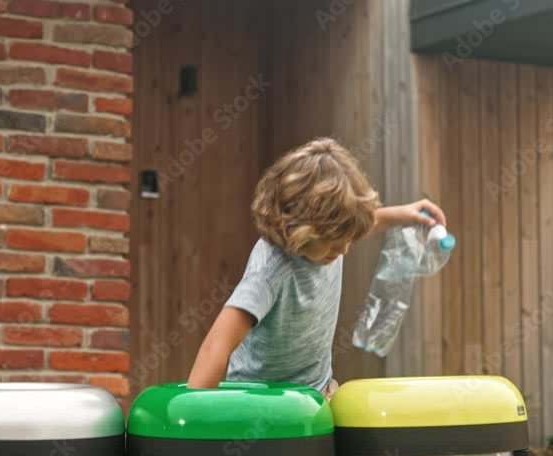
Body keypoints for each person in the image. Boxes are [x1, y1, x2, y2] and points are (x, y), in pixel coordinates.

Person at [186, 137, 447, 398]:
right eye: (336, 243)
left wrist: (404, 214)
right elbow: (216, 346)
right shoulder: (272, 270)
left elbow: (357, 227)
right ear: (302, 231)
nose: (345, 249)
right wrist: (196, 415)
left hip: (317, 391)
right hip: (261, 398)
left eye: (349, 238)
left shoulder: (329, 239)